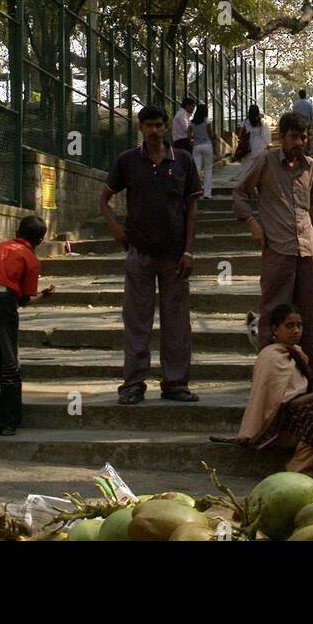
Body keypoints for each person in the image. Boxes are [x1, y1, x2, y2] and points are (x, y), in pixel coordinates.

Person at [100, 105, 202, 405]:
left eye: (159, 125)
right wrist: (116, 229)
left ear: (167, 127)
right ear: (141, 128)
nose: (154, 131)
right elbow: (104, 199)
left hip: (174, 255)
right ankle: (133, 384)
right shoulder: (128, 161)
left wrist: (189, 250)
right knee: (137, 321)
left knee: (177, 322)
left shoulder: (182, 160)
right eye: (149, 126)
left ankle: (175, 383)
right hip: (139, 253)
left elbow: (192, 208)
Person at [233, 110, 313, 375]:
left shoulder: (311, 166)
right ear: (281, 137)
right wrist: (253, 224)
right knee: (273, 314)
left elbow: (312, 203)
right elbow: (239, 195)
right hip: (278, 250)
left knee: (308, 318)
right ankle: (268, 375)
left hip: (306, 251)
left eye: (303, 137)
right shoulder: (266, 162)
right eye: (293, 137)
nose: (298, 143)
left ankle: (309, 378)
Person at [231, 303, 313, 477]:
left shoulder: (296, 352)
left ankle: (310, 469)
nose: (296, 330)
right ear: (275, 329)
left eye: (299, 326)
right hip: (277, 425)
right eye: (289, 326)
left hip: (299, 419)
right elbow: (284, 405)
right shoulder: (271, 357)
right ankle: (299, 469)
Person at [0, 215, 56, 435]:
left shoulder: (1, 246)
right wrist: (39, 297)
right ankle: (8, 421)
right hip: (4, 300)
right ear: (40, 240)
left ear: (17, 232)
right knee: (9, 362)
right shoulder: (31, 259)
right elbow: (23, 298)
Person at [190, 102, 215, 199]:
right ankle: (207, 194)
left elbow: (189, 134)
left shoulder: (192, 122)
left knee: (196, 170)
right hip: (207, 145)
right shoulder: (207, 121)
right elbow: (210, 133)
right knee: (208, 169)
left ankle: (196, 191)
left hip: (196, 146)